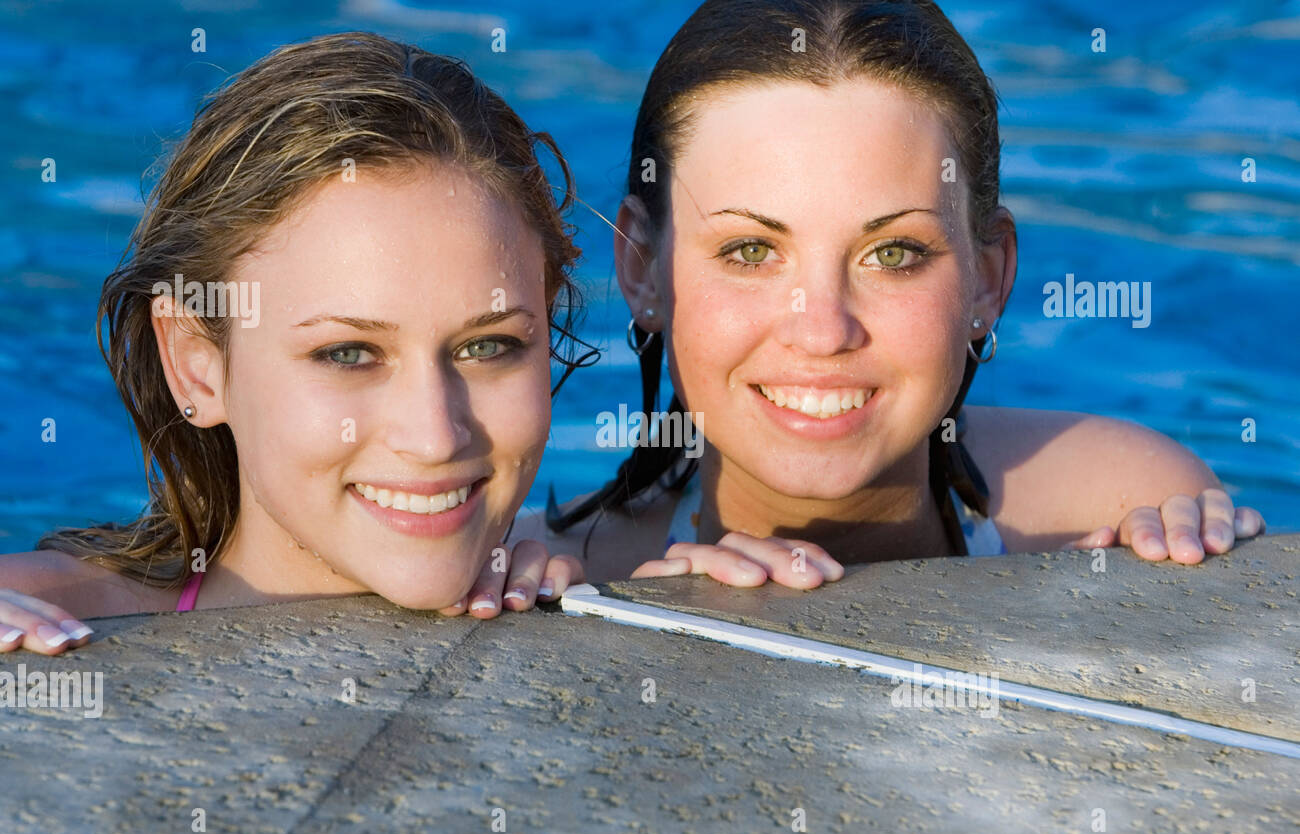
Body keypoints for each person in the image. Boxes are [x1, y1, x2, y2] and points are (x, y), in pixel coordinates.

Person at [523, 0, 1265, 586]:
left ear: (989, 278)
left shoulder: (1118, 507)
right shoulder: (553, 583)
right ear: (641, 270)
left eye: (892, 253)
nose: (822, 331)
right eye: (750, 251)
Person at [0, 33, 586, 655]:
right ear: (197, 365)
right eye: (347, 353)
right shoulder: (41, 612)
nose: (436, 437)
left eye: (488, 346)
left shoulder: (579, 572)